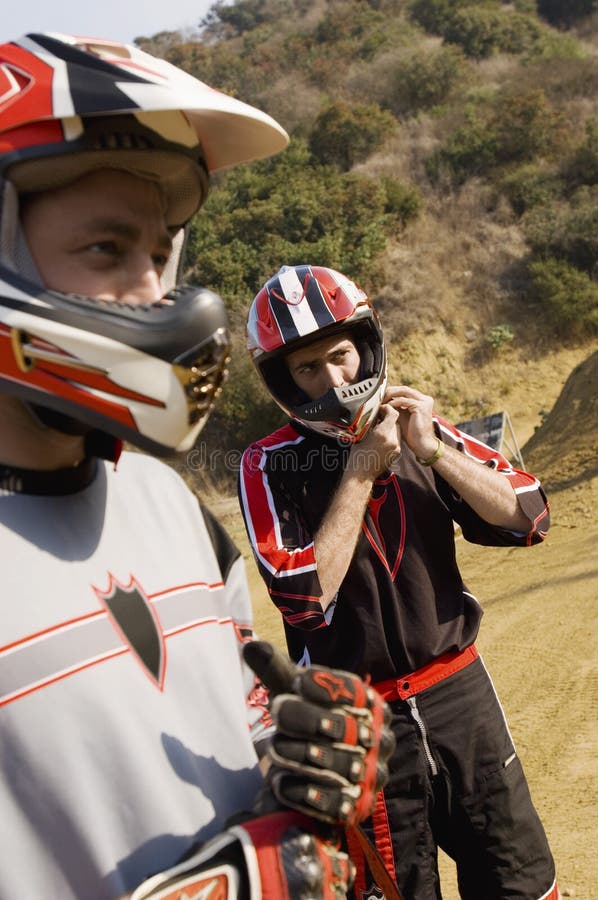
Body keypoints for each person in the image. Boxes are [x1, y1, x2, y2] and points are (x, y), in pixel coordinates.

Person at [0, 38, 394, 899]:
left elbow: (236, 725)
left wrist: (301, 762)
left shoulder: (167, 504)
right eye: (107, 251)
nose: (152, 291)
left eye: (162, 249)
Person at [238, 263, 561, 900]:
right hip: (358, 720)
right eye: (308, 370)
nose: (333, 381)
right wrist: (361, 471)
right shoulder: (267, 464)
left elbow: (530, 515)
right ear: (282, 380)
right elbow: (301, 595)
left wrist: (434, 449)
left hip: (459, 693)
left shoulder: (416, 423)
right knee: (396, 889)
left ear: (368, 344)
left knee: (519, 877)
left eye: (341, 356)